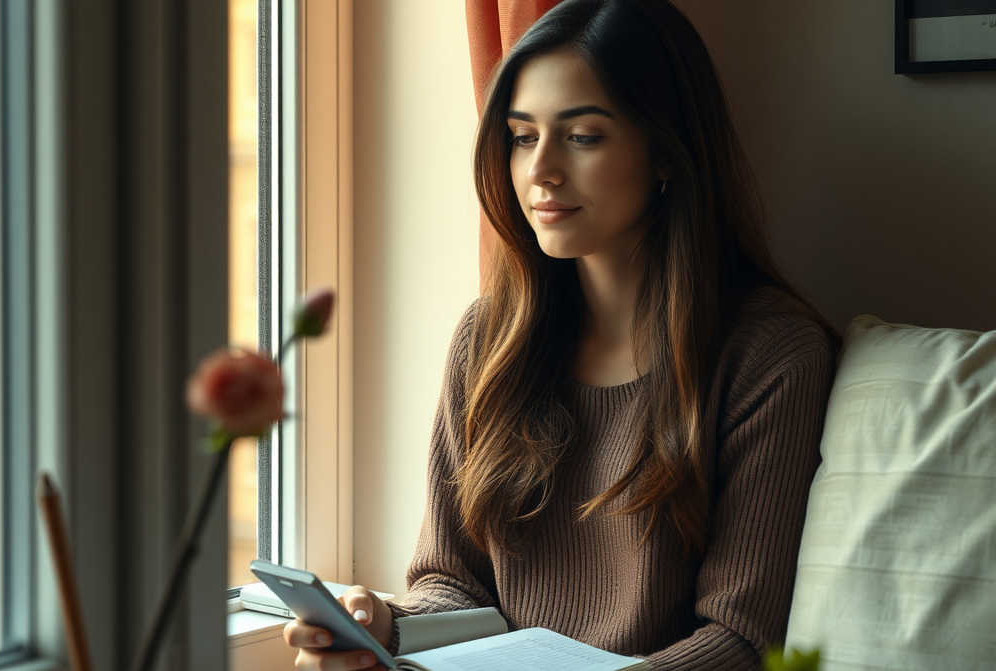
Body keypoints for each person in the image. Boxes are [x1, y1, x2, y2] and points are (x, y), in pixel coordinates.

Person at [285, 0, 839, 668]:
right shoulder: (488, 338)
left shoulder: (770, 354)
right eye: (522, 136)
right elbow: (455, 582)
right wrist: (384, 626)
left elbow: (740, 638)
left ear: (666, 154)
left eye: (582, 137)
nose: (540, 171)